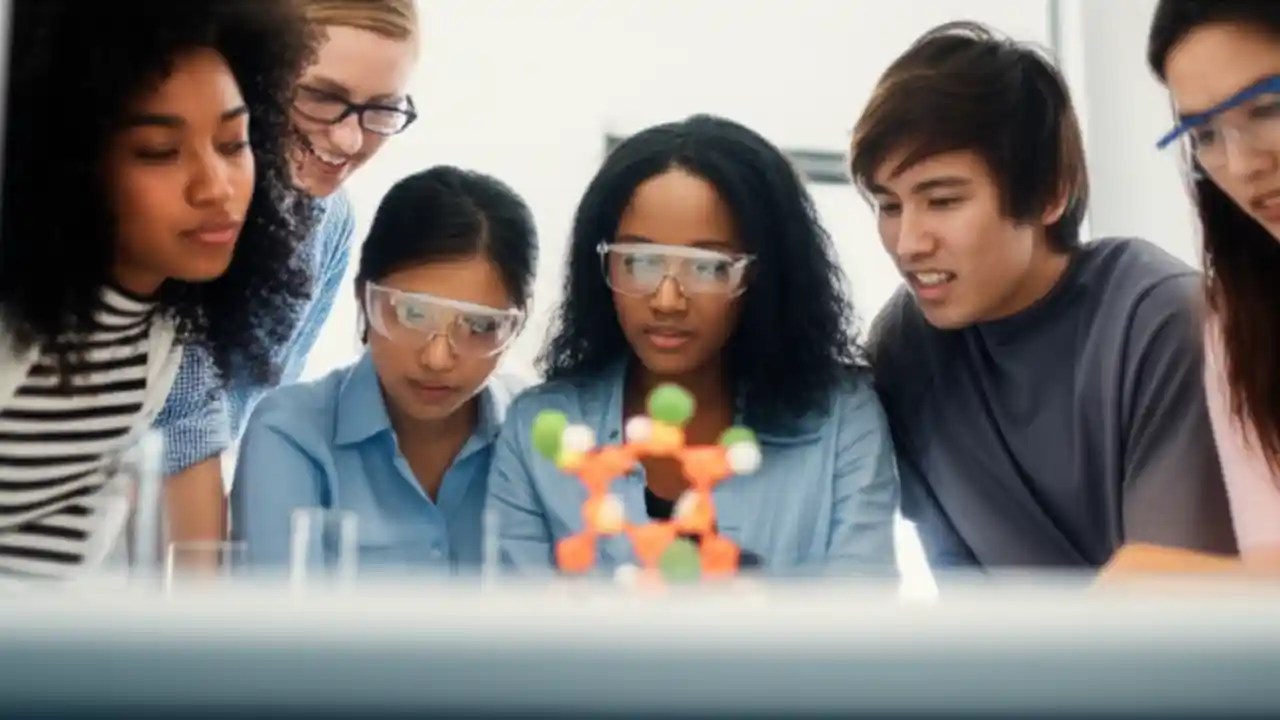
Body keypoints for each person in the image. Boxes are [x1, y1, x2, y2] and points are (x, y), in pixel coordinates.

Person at [852, 21, 1237, 574]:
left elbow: (1169, 608)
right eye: (888, 206)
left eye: (942, 201)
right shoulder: (904, 346)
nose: (908, 243)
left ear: (1050, 192)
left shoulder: (1159, 320)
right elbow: (960, 588)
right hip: (1009, 660)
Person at [487, 114, 899, 577]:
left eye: (707, 267)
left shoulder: (843, 421)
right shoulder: (541, 428)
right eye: (639, 262)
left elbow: (861, 624)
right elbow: (520, 633)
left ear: (766, 275)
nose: (666, 300)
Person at [0, 0, 315, 576]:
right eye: (159, 153)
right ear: (69, 163)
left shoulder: (160, 337)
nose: (215, 188)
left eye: (232, 143)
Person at [157, 0, 422, 533]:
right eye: (323, 98)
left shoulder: (330, 222)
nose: (350, 140)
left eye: (383, 110)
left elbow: (255, 412)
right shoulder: (171, 196)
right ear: (251, 70)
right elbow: (184, 431)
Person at [231, 167, 535, 573]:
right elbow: (280, 628)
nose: (437, 359)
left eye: (479, 326)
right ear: (363, 297)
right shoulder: (290, 433)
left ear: (517, 323)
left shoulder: (540, 434)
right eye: (411, 314)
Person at [1103, 0, 1280, 576]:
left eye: (1269, 108)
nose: (1241, 163)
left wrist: (1178, 583)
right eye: (1204, 134)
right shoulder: (1240, 325)